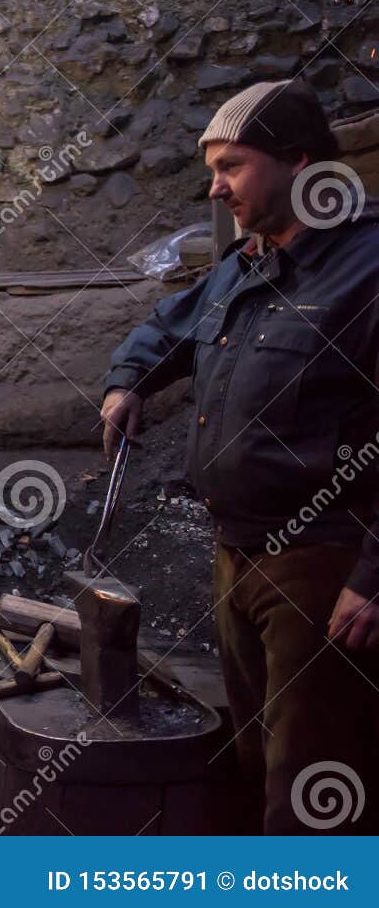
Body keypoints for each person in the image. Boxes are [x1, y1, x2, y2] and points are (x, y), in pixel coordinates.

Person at [101, 78, 379, 834]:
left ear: (298, 162)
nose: (216, 188)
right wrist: (128, 383)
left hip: (321, 566)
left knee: (313, 781)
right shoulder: (244, 264)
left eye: (232, 166)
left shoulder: (367, 268)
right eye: (212, 170)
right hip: (237, 555)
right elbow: (165, 330)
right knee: (256, 755)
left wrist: (373, 579)